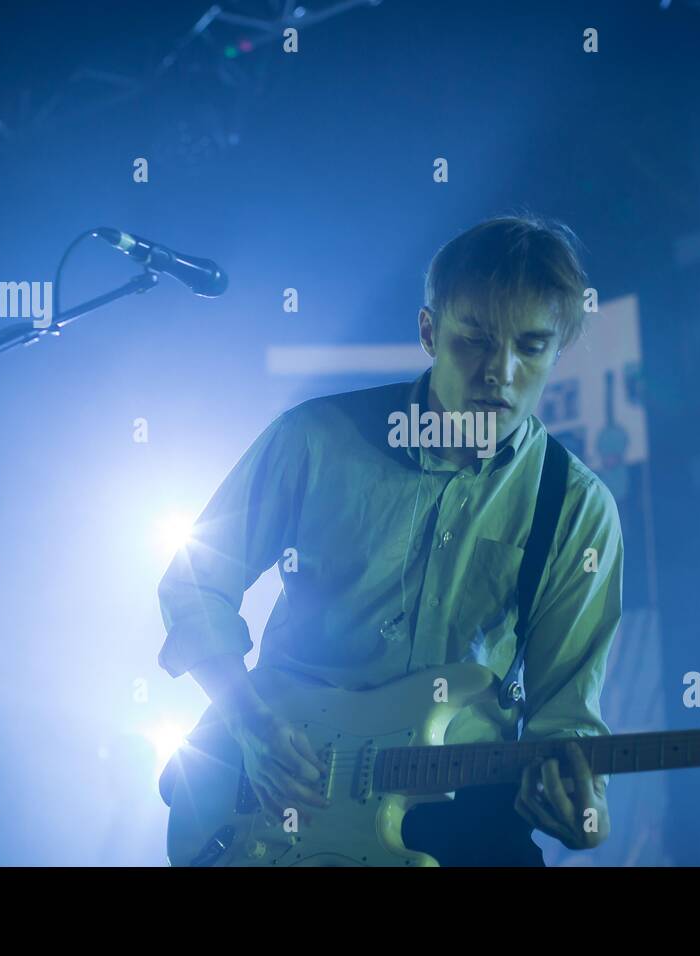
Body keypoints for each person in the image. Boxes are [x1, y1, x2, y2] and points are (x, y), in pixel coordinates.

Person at [157, 215, 624, 865]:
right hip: (276, 785)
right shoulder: (315, 439)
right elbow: (195, 583)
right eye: (475, 340)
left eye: (532, 346)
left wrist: (586, 811)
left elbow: (566, 719)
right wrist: (249, 719)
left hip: (461, 806)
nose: (502, 372)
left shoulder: (577, 509)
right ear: (429, 331)